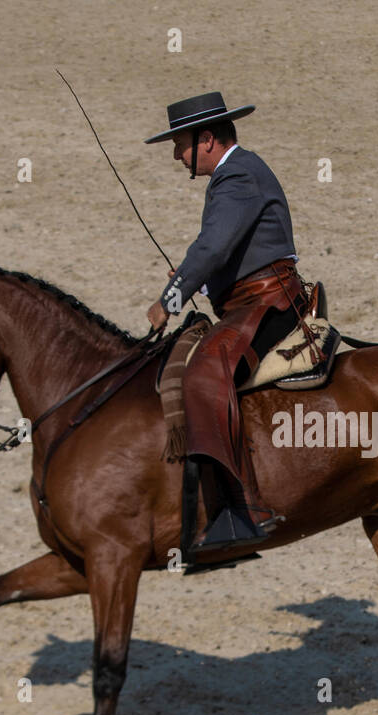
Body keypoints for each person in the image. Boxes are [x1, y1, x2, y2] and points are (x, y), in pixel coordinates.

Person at [144, 91, 309, 552]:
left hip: (268, 304)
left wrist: (171, 297)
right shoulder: (236, 174)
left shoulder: (236, 174)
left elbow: (213, 247)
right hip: (248, 301)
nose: (177, 155)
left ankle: (243, 508)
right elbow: (225, 253)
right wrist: (196, 279)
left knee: (202, 375)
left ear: (208, 139)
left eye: (181, 145)